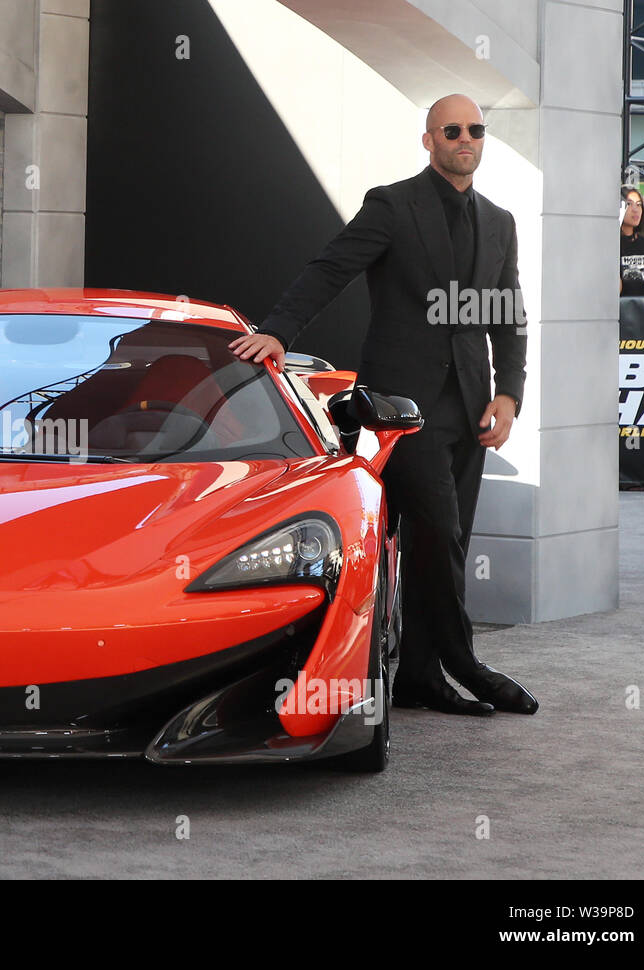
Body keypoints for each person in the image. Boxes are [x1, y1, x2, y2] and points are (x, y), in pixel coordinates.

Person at [229, 93, 538, 716]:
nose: (465, 139)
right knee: (439, 532)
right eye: (452, 130)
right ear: (429, 140)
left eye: (476, 129)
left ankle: (420, 675)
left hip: (472, 407)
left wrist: (508, 393)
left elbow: (507, 315)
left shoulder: (500, 221)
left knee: (442, 542)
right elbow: (330, 269)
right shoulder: (393, 206)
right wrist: (279, 331)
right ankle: (464, 661)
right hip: (404, 408)